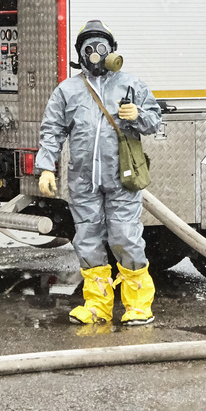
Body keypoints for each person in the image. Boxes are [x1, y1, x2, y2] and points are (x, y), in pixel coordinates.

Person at [35, 20, 162, 326]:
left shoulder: (130, 85)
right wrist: (46, 168)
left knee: (125, 237)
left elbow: (155, 122)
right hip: (83, 181)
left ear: (112, 51)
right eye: (88, 47)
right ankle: (97, 306)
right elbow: (52, 131)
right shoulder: (67, 91)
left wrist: (138, 115)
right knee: (87, 240)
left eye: (101, 46)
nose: (95, 53)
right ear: (79, 53)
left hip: (123, 179)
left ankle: (138, 306)